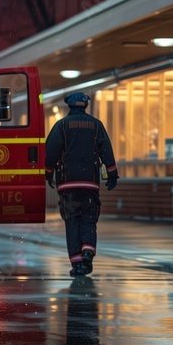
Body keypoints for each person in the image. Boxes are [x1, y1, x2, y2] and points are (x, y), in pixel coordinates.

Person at [44, 92, 118, 277]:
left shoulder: (61, 126)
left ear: (69, 105)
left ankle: (77, 265)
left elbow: (51, 152)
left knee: (72, 221)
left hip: (67, 183)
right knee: (88, 219)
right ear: (85, 105)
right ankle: (88, 251)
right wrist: (112, 174)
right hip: (90, 184)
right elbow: (106, 150)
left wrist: (48, 172)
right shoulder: (96, 125)